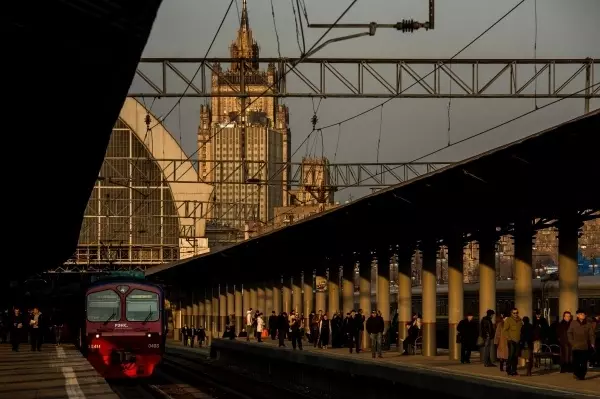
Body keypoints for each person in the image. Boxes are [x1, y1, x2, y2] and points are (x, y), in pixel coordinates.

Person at [567, 309, 595, 380]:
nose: (583, 315)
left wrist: (592, 343)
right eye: (581, 314)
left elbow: (591, 335)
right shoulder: (573, 323)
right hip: (575, 346)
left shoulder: (588, 324)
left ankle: (582, 375)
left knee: (583, 363)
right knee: (576, 362)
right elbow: (569, 333)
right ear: (577, 315)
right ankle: (576, 373)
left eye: (584, 314)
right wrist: (571, 342)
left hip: (584, 346)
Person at [503, 308, 523, 376]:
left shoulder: (520, 320)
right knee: (511, 355)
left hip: (518, 341)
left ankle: (514, 370)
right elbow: (505, 330)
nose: (515, 314)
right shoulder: (508, 320)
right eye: (514, 313)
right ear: (511, 313)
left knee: (516, 356)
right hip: (511, 340)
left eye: (516, 313)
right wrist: (509, 338)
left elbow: (521, 330)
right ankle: (508, 369)